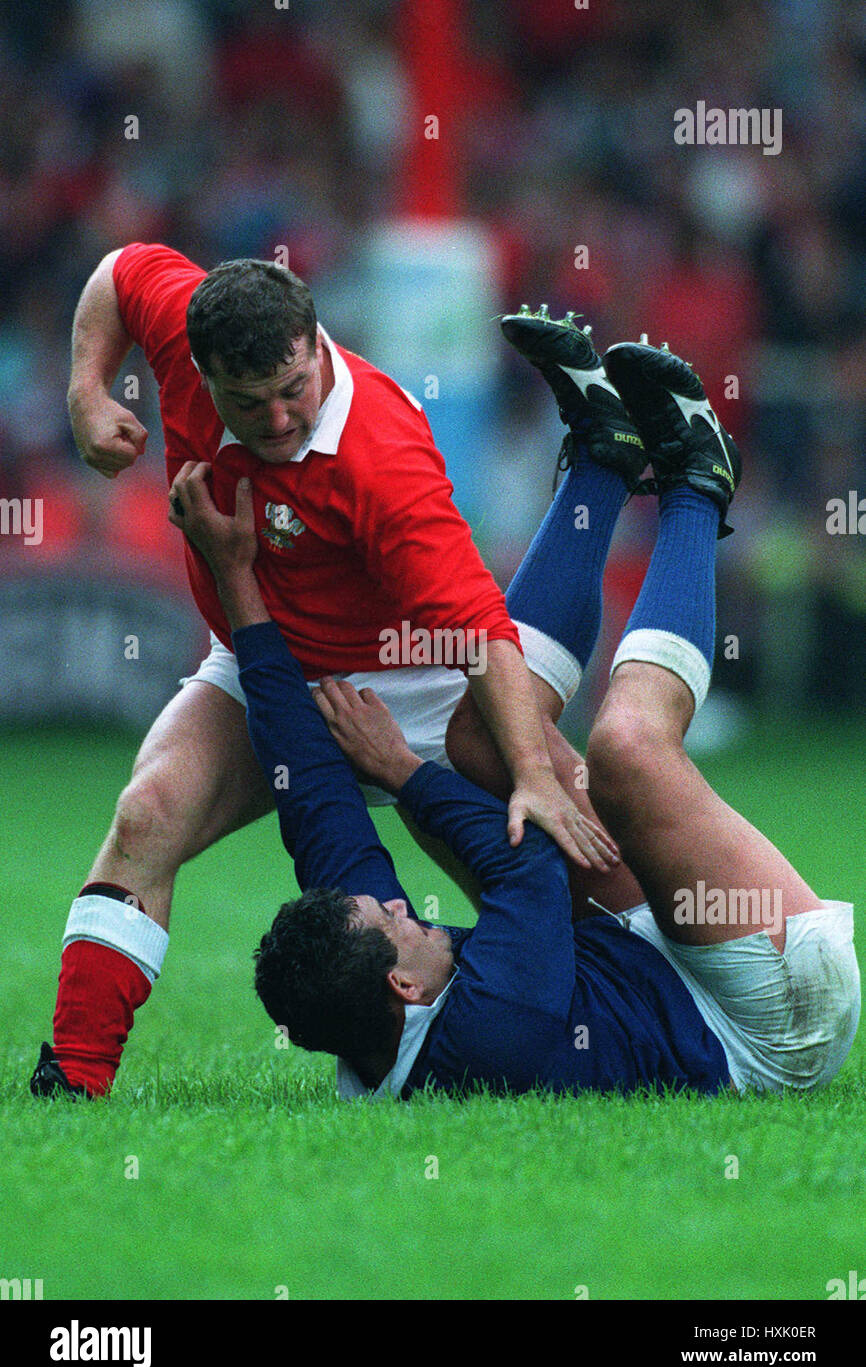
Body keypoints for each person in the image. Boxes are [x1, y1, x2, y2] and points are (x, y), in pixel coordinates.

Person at [33, 326, 860, 1100]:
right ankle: (697, 484)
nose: (402, 904)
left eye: (381, 903)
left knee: (473, 738)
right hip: (771, 1020)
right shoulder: (491, 1031)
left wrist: (237, 576)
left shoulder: (366, 982)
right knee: (623, 754)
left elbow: (307, 777)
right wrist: (398, 770)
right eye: (393, 920)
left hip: (636, 961)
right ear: (404, 987)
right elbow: (528, 867)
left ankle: (604, 457)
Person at [34, 251, 629, 1098]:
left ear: (315, 343)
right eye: (250, 402)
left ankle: (705, 1015)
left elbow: (481, 633)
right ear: (202, 373)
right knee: (148, 812)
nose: (277, 417)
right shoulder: (186, 318)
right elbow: (117, 274)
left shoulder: (378, 455)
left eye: (294, 388)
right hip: (259, 661)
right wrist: (87, 391)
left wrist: (532, 772)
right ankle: (73, 1080)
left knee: (589, 882)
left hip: (420, 684)